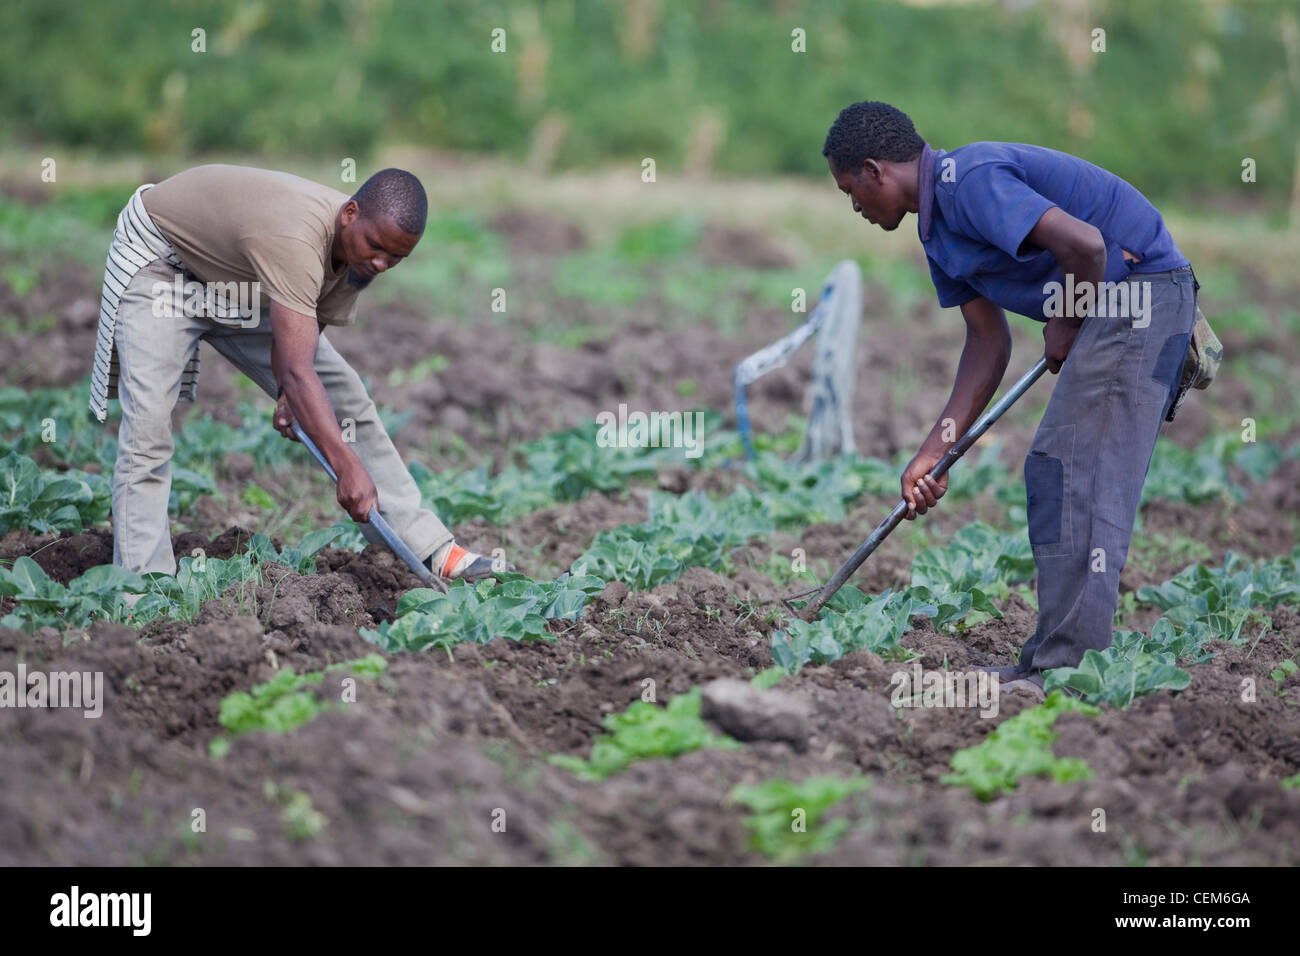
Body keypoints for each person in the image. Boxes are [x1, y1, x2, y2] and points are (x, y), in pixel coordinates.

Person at [823, 101, 1200, 697]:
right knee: (1055, 469)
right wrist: (933, 452)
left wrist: (1068, 320)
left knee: (1077, 471)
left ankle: (1067, 669)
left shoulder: (968, 183)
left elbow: (1085, 246)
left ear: (875, 171)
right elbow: (986, 344)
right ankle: (1053, 660)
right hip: (1113, 303)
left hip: (1140, 294)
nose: (854, 207)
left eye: (850, 190)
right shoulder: (938, 232)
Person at [90, 164, 506, 582]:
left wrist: (292, 397)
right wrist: (345, 464)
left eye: (397, 256)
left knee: (345, 396)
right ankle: (140, 585)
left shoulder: (360, 254)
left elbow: (310, 328)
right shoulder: (296, 238)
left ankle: (428, 548)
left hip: (241, 280)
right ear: (349, 214)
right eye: (376, 247)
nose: (382, 262)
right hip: (163, 267)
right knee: (148, 428)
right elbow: (294, 367)